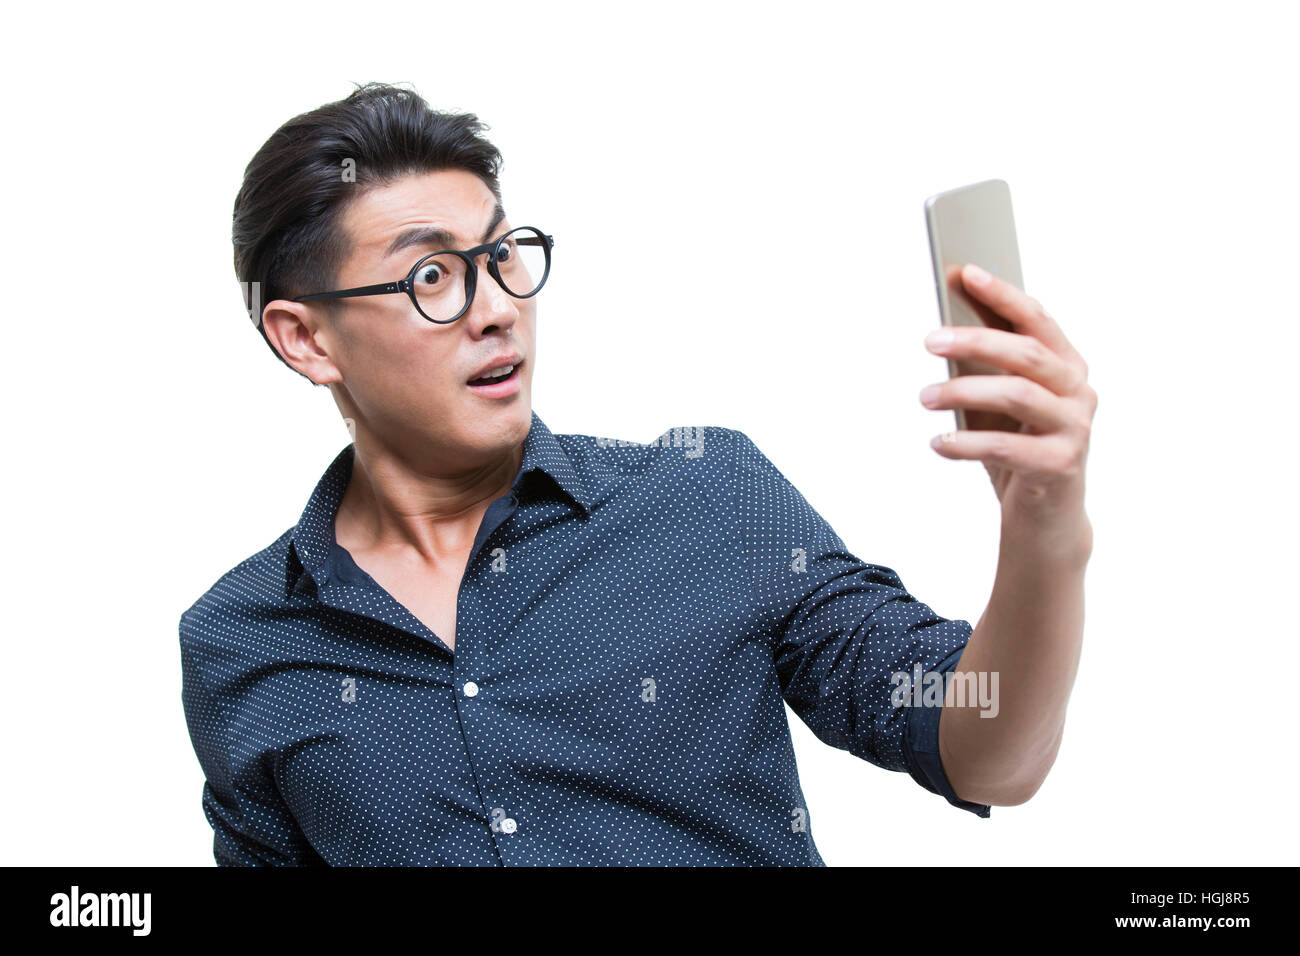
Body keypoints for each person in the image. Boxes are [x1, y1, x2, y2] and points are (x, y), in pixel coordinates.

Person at [179, 82, 1096, 866]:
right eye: (430, 277)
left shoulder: (709, 498)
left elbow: (987, 751)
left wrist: (1045, 533)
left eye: (500, 257)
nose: (497, 308)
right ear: (306, 339)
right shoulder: (238, 643)